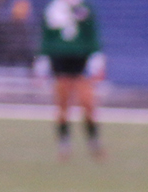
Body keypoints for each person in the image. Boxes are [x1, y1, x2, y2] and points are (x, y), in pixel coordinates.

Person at [38, 0, 101, 160]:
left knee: (88, 104)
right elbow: (47, 35)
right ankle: (64, 145)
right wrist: (43, 59)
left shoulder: (84, 8)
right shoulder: (53, 8)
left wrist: (96, 56)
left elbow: (91, 34)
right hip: (60, 61)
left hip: (80, 61)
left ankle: (94, 142)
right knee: (63, 106)